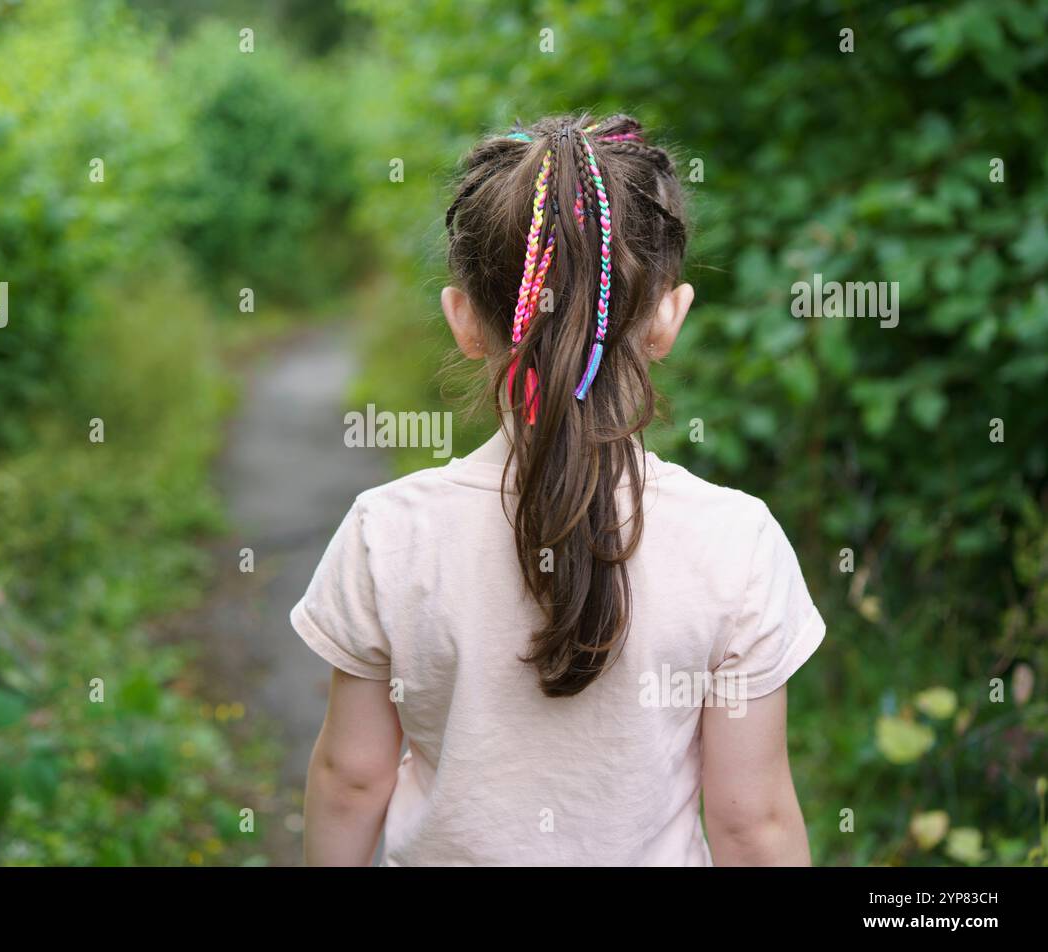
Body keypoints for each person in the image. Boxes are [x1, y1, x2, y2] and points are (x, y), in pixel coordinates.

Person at [292, 113, 825, 866]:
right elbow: (753, 823)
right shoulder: (734, 542)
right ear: (669, 318)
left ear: (464, 321)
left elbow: (351, 779)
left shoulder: (388, 533)